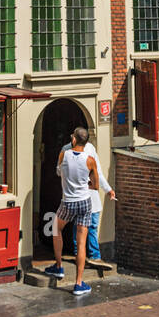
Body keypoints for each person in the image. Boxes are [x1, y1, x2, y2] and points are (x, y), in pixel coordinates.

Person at [43, 127, 98, 296]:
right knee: (81, 242)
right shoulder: (90, 160)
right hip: (84, 202)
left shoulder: (64, 155)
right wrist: (84, 185)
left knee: (56, 228)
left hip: (68, 202)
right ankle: (79, 283)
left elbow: (59, 172)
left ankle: (59, 267)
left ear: (74, 140)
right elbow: (95, 186)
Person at [60, 133, 115, 264]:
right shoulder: (66, 151)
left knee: (92, 225)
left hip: (90, 197)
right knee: (78, 227)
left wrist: (108, 189)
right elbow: (60, 172)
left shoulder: (90, 149)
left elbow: (98, 173)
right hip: (75, 197)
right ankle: (80, 255)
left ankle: (94, 256)